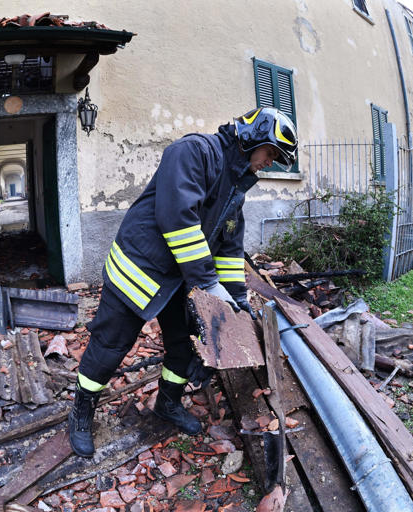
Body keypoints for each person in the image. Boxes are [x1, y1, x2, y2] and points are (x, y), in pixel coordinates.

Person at [69, 107, 298, 457]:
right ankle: (82, 411)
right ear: (253, 137)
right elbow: (178, 219)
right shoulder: (193, 152)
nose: (272, 163)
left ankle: (168, 403)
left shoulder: (237, 190)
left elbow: (230, 250)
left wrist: (235, 302)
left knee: (183, 344)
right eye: (271, 153)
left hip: (181, 279)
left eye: (278, 159)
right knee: (111, 344)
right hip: (139, 270)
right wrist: (208, 283)